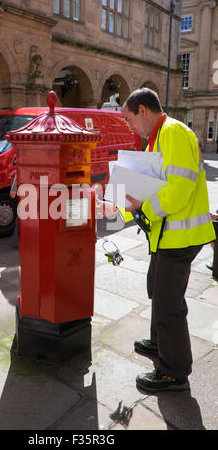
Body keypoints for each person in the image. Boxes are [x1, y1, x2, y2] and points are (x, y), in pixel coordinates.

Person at [98, 88, 216, 393]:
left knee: (168, 305)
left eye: (129, 119)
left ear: (143, 110)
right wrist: (116, 210)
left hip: (180, 237)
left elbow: (178, 190)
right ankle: (158, 342)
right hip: (166, 236)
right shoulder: (158, 137)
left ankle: (174, 371)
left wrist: (142, 207)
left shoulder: (174, 133)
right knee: (156, 289)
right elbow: (150, 189)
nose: (129, 125)